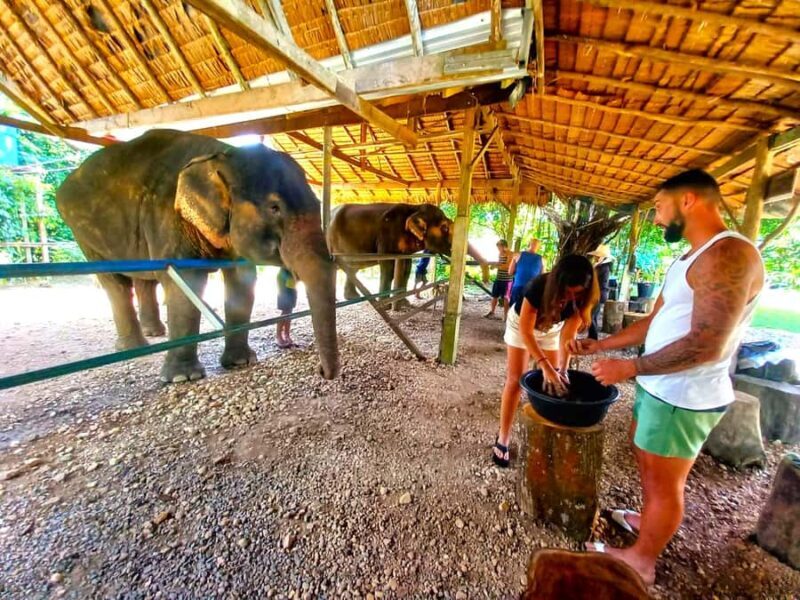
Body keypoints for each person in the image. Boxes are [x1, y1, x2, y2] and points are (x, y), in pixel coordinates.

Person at [569, 169, 764, 585]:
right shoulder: (689, 257)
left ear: (688, 200)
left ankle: (641, 560)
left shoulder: (728, 255)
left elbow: (707, 344)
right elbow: (656, 320)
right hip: (662, 386)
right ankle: (647, 522)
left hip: (684, 394)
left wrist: (632, 367)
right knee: (648, 462)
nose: (656, 218)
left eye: (659, 207)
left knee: (664, 483)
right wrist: (601, 347)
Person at [492, 254, 600, 468]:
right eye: (566, 291)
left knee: (555, 381)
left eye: (576, 293)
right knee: (516, 380)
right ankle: (503, 438)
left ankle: (549, 440)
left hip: (552, 329)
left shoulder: (584, 298)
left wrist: (563, 368)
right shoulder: (538, 286)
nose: (570, 297)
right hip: (521, 325)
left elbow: (568, 338)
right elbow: (526, 331)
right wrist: (544, 364)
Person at [587, 244, 614, 340]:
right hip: (598, 294)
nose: (595, 257)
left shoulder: (603, 268)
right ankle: (592, 336)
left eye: (597, 256)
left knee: (591, 315)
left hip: (599, 294)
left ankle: (593, 337)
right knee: (593, 316)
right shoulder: (600, 266)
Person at [508, 239, 545, 307]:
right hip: (523, 288)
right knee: (516, 310)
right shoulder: (519, 255)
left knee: (518, 310)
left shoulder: (541, 259)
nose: (534, 246)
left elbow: (542, 277)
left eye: (535, 244)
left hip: (530, 289)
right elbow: (510, 272)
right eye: (534, 244)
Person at [484, 239, 514, 320]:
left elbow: (508, 267)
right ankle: (492, 312)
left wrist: (495, 265)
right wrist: (495, 264)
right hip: (499, 278)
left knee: (506, 298)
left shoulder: (510, 254)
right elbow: (500, 264)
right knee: (494, 296)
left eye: (499, 247)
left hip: (507, 280)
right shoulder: (500, 254)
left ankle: (505, 316)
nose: (498, 249)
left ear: (504, 246)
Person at [276, 267, 297, 349]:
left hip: (292, 291)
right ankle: (278, 336)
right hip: (285, 292)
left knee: (289, 313)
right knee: (284, 313)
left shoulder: (291, 269)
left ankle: (286, 334)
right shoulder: (283, 271)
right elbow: (282, 281)